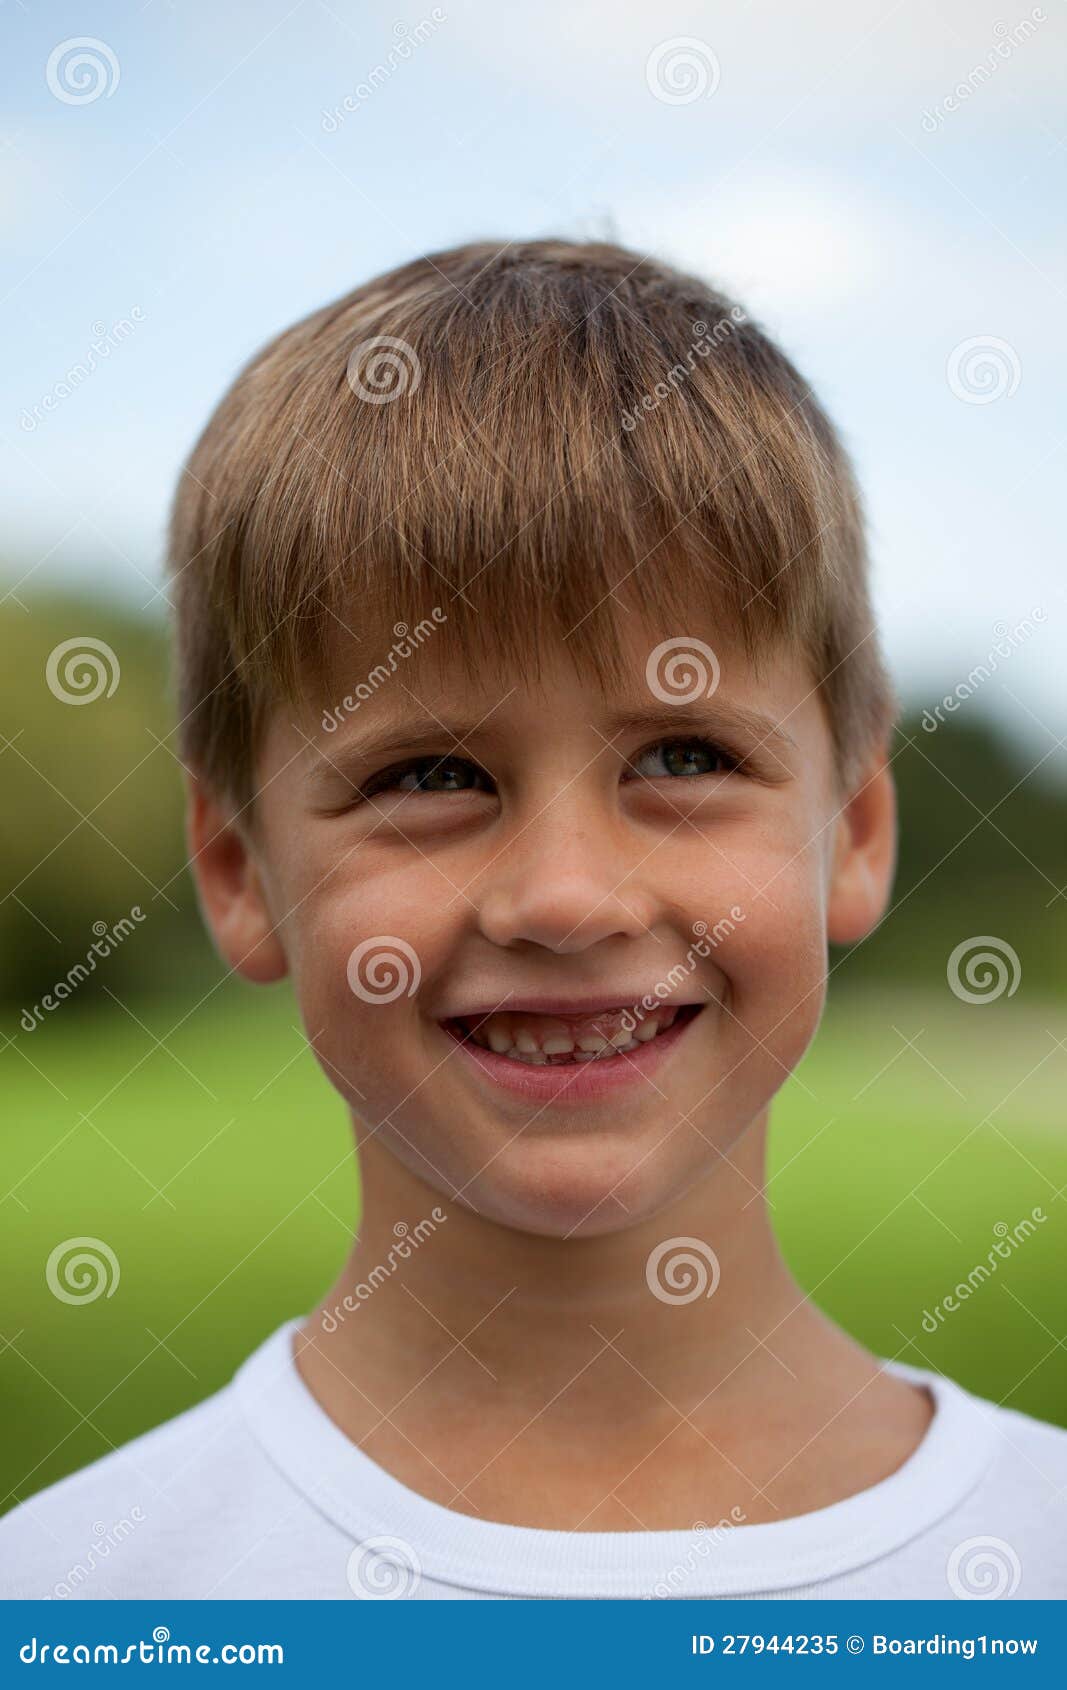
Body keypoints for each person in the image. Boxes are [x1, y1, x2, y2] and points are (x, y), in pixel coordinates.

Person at [2, 240, 1064, 1600]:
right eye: (430, 776)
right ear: (235, 870)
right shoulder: (74, 1603)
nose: (566, 896)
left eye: (683, 759)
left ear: (853, 830)